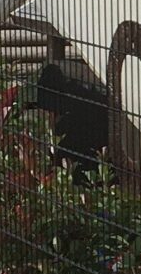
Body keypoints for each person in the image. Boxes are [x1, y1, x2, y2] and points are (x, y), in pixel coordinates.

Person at [32, 32, 111, 171]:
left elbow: (60, 127)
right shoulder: (74, 90)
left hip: (91, 139)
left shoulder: (69, 97)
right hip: (95, 134)